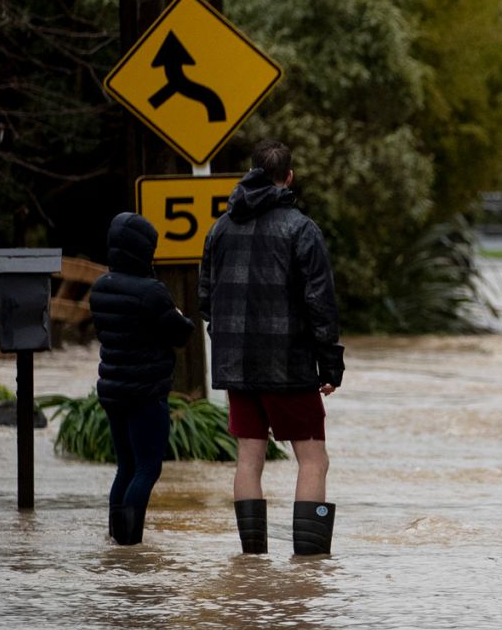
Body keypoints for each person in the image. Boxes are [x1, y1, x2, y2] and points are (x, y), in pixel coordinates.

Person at [200, 140, 345, 556]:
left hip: (237, 366)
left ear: (251, 173)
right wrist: (330, 364)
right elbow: (320, 303)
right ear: (289, 177)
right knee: (314, 459)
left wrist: (229, 344)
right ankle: (310, 560)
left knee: (248, 458)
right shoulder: (301, 229)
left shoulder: (220, 228)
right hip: (289, 365)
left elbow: (206, 300)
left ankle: (252, 559)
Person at [89, 213, 192, 546]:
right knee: (148, 468)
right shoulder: (152, 293)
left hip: (112, 390)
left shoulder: (100, 287)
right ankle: (130, 545)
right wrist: (179, 316)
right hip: (146, 393)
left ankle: (117, 541)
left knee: (126, 467)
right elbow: (180, 334)